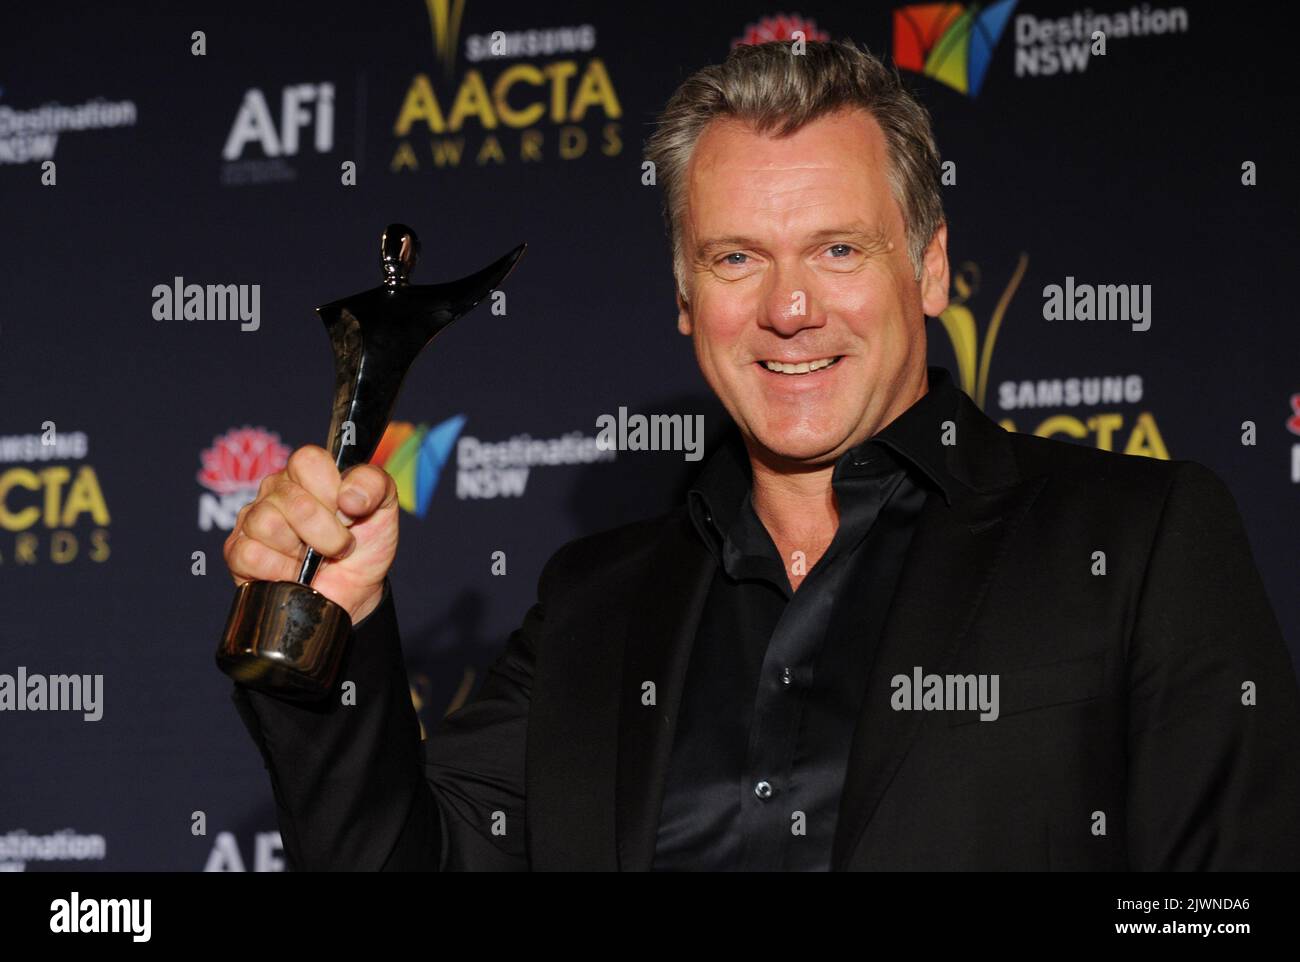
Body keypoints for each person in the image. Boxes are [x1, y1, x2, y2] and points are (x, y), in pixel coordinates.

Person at [223, 39, 1300, 870]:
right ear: (686, 299)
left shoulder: (1135, 538)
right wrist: (337, 628)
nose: (789, 307)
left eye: (838, 248)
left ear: (928, 270)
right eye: (736, 256)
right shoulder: (593, 604)